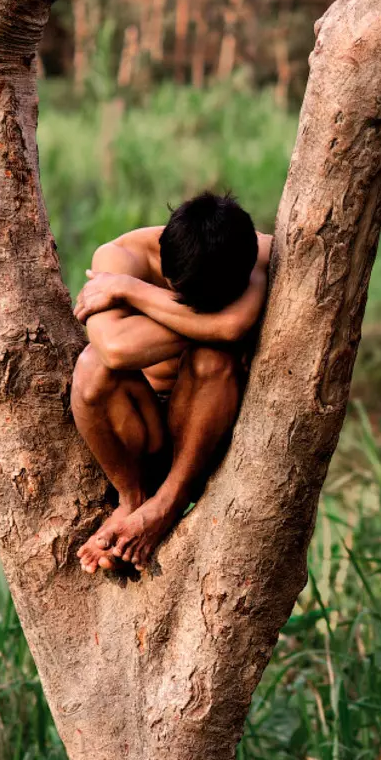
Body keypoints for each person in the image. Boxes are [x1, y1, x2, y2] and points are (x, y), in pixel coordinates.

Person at [71, 191, 270, 574]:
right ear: (166, 272)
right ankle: (133, 501)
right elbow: (114, 350)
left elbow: (231, 328)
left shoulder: (257, 252)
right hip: (137, 433)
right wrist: (213, 326)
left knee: (214, 356)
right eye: (185, 299)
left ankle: (166, 505)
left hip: (206, 437)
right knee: (92, 365)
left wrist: (130, 291)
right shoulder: (119, 257)